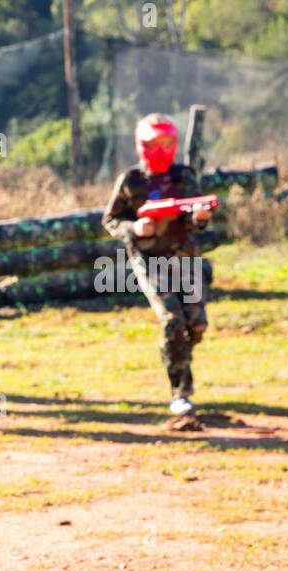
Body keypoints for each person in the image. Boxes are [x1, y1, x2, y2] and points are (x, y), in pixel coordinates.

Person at [102, 114, 214, 417]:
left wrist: (200, 218)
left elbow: (196, 216)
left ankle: (174, 352)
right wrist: (135, 229)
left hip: (185, 261)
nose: (161, 149)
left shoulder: (184, 176)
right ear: (141, 145)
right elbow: (111, 219)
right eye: (154, 144)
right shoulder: (131, 180)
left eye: (166, 143)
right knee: (171, 320)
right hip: (149, 262)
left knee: (197, 324)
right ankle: (180, 392)